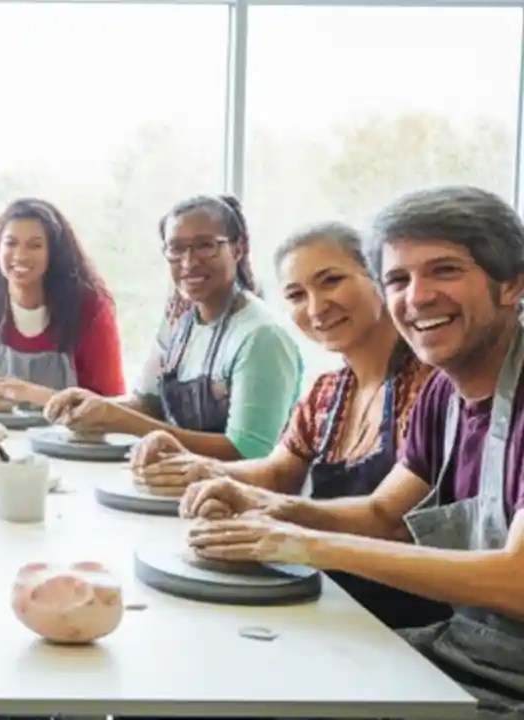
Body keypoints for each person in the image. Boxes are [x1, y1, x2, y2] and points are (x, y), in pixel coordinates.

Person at [184, 186, 524, 718]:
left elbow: (517, 579)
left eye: (445, 270)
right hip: (463, 653)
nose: (418, 296)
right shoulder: (444, 392)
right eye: (399, 279)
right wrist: (272, 509)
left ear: (511, 286)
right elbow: (386, 515)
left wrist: (303, 544)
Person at [132, 221, 448, 629]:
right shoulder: (328, 391)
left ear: (379, 279)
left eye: (331, 281)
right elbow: (280, 470)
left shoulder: (432, 388)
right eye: (297, 295)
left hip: (403, 619)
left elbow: (386, 518)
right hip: (331, 598)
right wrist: (201, 468)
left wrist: (265, 507)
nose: (316, 308)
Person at [45, 194, 302, 461]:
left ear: (238, 249)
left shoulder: (261, 336)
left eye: (205, 246)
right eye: (176, 249)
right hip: (181, 482)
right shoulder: (179, 321)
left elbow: (247, 452)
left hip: (240, 495)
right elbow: (148, 403)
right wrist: (94, 406)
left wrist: (119, 419)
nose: (189, 262)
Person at [0, 198, 125, 408]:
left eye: (35, 245)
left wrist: (26, 393)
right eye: (11, 243)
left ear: (54, 253)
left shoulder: (90, 309)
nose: (20, 256)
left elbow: (112, 406)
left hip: (69, 439)